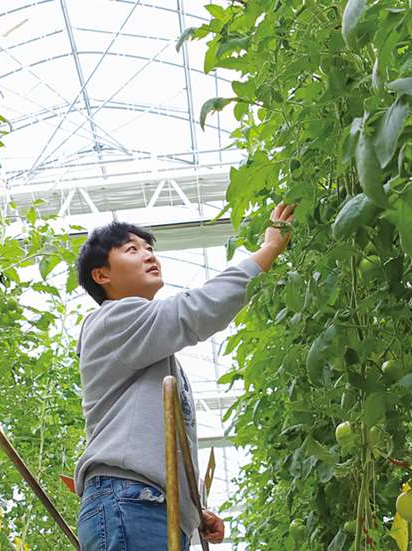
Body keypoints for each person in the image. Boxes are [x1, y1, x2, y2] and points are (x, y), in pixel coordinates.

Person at [73, 203, 296, 550]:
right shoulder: (113, 320)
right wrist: (268, 251)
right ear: (101, 275)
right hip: (129, 501)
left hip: (143, 504)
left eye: (150, 249)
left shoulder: (146, 347)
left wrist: (190, 509)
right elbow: (195, 310)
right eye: (132, 249)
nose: (149, 256)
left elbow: (152, 438)